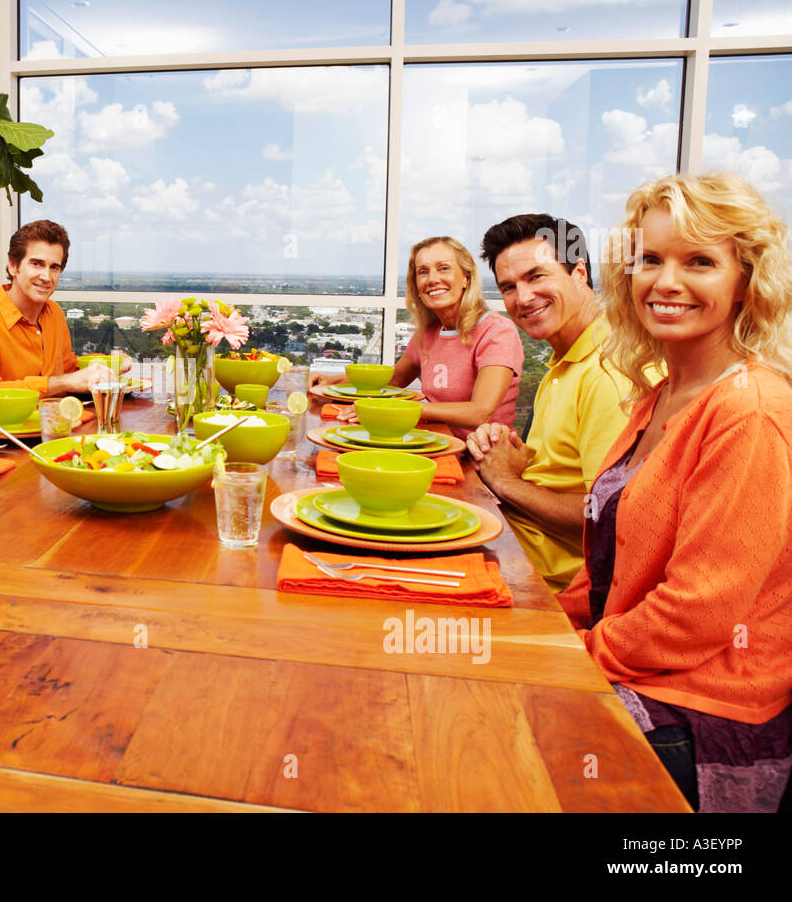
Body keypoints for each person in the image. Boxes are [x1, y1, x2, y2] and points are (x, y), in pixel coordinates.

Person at [558, 171, 792, 812]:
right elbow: (611, 567)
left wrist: (570, 654)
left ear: (745, 281)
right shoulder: (659, 395)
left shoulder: (751, 411)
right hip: (642, 661)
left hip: (704, 704)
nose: (665, 282)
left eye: (699, 262)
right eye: (649, 260)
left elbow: (696, 615)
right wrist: (545, 620)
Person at [465, 214, 635, 589]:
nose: (522, 298)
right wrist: (511, 454)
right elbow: (561, 471)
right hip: (513, 545)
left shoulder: (610, 374)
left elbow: (610, 514)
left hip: (545, 583)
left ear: (579, 273)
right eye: (508, 287)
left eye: (537, 276)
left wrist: (506, 481)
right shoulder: (565, 357)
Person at [329, 236, 523, 439]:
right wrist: (331, 383)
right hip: (435, 441)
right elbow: (394, 379)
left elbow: (480, 413)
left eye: (444, 268)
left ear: (466, 278)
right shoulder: (429, 332)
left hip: (482, 458)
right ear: (416, 286)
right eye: (423, 272)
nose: (432, 279)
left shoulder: (498, 332)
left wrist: (402, 408)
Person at [0, 219, 124, 397]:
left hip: (60, 421)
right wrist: (60, 383)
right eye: (36, 264)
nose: (46, 276)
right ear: (13, 266)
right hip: (7, 425)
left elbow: (68, 368)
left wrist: (106, 365)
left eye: (54, 267)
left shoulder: (54, 313)